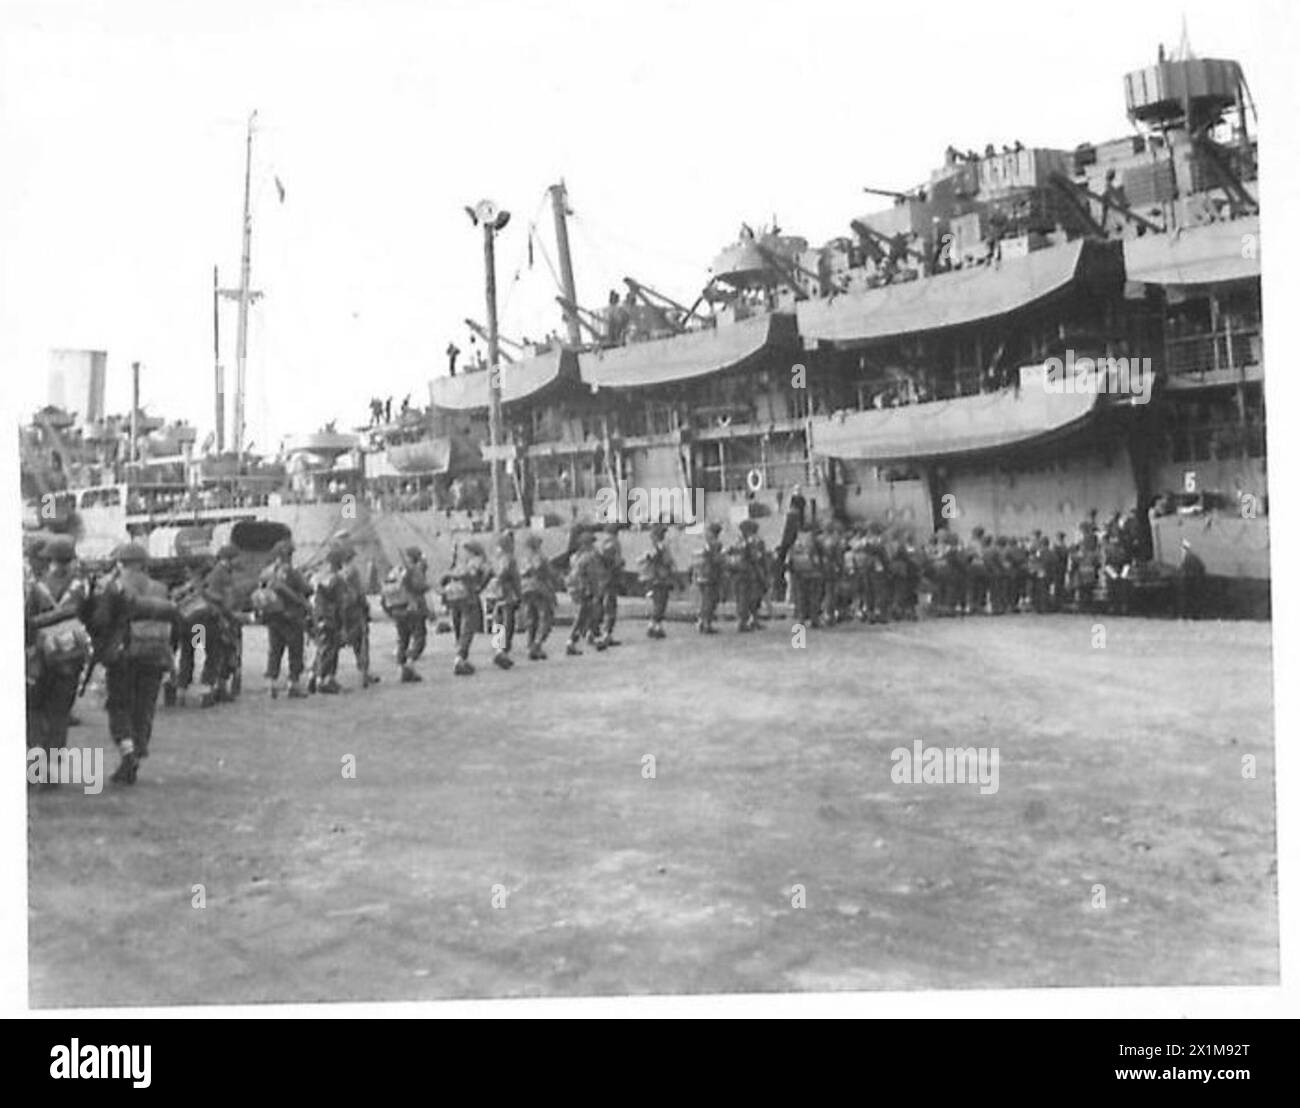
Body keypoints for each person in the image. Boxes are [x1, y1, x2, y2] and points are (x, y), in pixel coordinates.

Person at [89, 543, 177, 785]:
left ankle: (127, 752)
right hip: (157, 655)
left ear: (121, 563)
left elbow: (101, 621)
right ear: (144, 563)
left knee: (119, 705)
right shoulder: (161, 588)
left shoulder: (114, 587)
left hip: (124, 656)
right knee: (144, 708)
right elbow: (175, 623)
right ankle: (138, 752)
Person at [29, 536, 91, 773]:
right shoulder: (81, 586)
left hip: (43, 655)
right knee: (59, 714)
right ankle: (53, 771)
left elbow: (26, 621)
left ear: (49, 560)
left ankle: (36, 769)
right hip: (71, 656)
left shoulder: (37, 587)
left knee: (35, 711)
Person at [255, 538, 311, 699]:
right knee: (295, 651)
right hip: (291, 617)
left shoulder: (267, 571)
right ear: (289, 554)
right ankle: (293, 685)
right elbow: (306, 589)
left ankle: (271, 684)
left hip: (273, 618)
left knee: (274, 651)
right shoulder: (292, 572)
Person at [382, 546, 430, 682]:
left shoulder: (395, 571)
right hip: (412, 607)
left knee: (402, 639)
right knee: (419, 637)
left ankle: (401, 669)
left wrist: (388, 610)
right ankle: (410, 664)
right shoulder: (414, 570)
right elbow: (419, 587)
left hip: (396, 608)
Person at [442, 540, 490, 675]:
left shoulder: (460, 563)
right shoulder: (477, 561)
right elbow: (482, 574)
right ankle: (460, 658)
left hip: (452, 595)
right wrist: (479, 586)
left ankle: (460, 652)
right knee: (468, 627)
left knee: (459, 624)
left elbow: (446, 578)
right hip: (467, 595)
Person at [519, 532, 559, 660]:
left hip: (525, 589)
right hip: (540, 589)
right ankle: (537, 644)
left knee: (531, 618)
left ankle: (530, 644)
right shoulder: (540, 557)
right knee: (545, 617)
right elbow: (548, 572)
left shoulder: (523, 559)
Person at [484, 531, 521, 669]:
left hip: (494, 593)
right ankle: (502, 651)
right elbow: (513, 577)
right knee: (507, 623)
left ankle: (498, 649)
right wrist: (519, 594)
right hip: (507, 592)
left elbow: (488, 573)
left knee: (497, 622)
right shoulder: (509, 558)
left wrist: (481, 587)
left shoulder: (494, 558)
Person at [564, 531, 605, 655]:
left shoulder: (575, 557)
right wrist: (596, 590)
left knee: (586, 614)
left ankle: (591, 635)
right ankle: (571, 641)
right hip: (585, 589)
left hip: (575, 588)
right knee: (584, 614)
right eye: (592, 543)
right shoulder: (590, 557)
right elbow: (592, 576)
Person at [636, 523, 676, 639]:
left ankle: (655, 625)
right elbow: (665, 560)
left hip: (656, 577)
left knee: (659, 602)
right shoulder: (660, 547)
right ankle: (654, 625)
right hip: (660, 577)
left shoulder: (656, 547)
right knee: (660, 602)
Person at [691, 522, 726, 634]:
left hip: (705, 574)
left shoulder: (709, 545)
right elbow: (716, 559)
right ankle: (706, 623)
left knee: (707, 600)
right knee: (710, 600)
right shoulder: (715, 545)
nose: (706, 534)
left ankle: (702, 621)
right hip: (711, 575)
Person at [595, 523, 624, 648]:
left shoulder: (601, 544)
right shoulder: (613, 543)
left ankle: (594, 632)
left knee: (600, 605)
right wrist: (620, 563)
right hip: (609, 579)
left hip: (600, 580)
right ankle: (606, 634)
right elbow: (613, 561)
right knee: (610, 607)